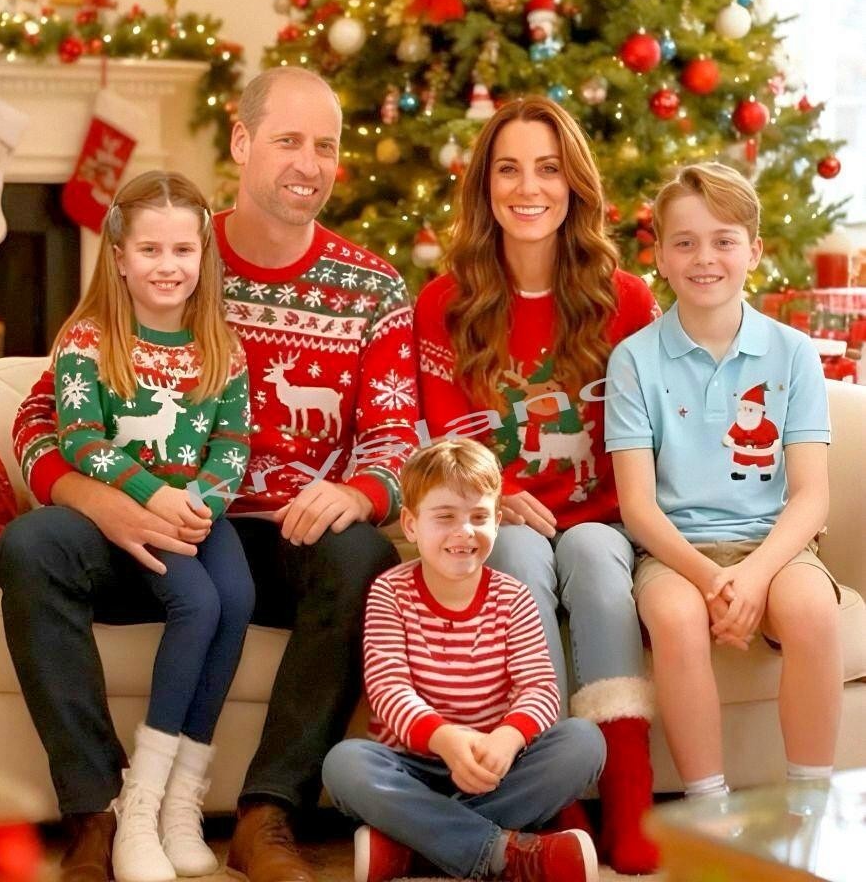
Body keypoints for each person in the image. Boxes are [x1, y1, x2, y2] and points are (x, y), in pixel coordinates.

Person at [0, 67, 419, 882]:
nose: (308, 163)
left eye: (325, 146)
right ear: (242, 142)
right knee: (32, 546)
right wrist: (101, 500)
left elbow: (399, 441)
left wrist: (356, 491)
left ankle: (269, 814)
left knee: (362, 558)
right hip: (139, 520)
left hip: (277, 536)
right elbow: (41, 417)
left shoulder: (372, 290)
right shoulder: (173, 247)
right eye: (288, 140)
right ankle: (95, 812)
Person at [414, 96, 661, 875]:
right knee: (515, 552)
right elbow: (451, 445)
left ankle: (629, 794)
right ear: (485, 187)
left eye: (549, 169)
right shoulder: (444, 306)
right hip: (503, 518)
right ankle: (556, 797)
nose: (530, 188)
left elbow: (643, 439)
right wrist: (497, 494)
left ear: (574, 185)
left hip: (603, 520)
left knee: (590, 555)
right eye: (509, 169)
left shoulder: (625, 300)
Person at [605, 162, 842, 803]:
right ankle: (709, 807)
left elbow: (811, 495)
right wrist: (712, 581)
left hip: (774, 547)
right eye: (684, 242)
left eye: (724, 240)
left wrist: (756, 574)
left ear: (754, 251)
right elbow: (638, 506)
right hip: (675, 554)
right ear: (659, 256)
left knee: (816, 612)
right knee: (678, 621)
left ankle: (810, 803)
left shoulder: (794, 354)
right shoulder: (633, 360)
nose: (704, 258)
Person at [51, 170, 254, 882]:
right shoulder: (89, 341)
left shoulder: (221, 347)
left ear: (204, 256)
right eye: (151, 251)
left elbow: (232, 448)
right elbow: (79, 438)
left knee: (238, 599)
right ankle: (138, 804)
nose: (168, 267)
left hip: (197, 508)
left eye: (183, 251)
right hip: (133, 512)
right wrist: (149, 496)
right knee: (197, 603)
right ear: (119, 256)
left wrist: (198, 499)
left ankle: (180, 802)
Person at [322, 439, 605, 882]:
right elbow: (388, 689)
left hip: (496, 766)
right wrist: (446, 740)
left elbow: (540, 689)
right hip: (414, 767)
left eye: (479, 517)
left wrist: (507, 739)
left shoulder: (513, 597)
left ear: (496, 521)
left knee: (584, 742)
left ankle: (416, 844)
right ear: (412, 525)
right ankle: (498, 852)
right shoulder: (389, 592)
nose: (464, 531)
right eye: (446, 517)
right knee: (345, 764)